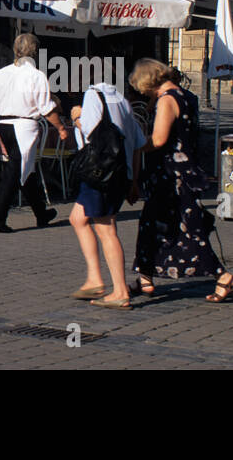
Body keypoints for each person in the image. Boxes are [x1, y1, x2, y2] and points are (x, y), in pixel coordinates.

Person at [129, 59, 233, 303]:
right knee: (152, 224)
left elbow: (158, 140)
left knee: (187, 231)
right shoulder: (185, 95)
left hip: (171, 176)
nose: (141, 91)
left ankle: (223, 276)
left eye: (140, 86)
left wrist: (134, 144)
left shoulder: (167, 99)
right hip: (181, 171)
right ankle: (145, 277)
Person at [0, 33, 68, 232]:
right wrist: (61, 128)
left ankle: (41, 213)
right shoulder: (36, 75)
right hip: (24, 126)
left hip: (4, 125)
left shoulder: (2, 73)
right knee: (15, 171)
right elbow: (46, 107)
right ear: (35, 52)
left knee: (24, 169)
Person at [68, 81, 145, 308]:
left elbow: (90, 132)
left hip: (99, 174)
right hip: (119, 173)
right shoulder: (122, 101)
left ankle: (120, 291)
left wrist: (76, 117)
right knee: (77, 218)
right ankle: (94, 278)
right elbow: (138, 142)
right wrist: (133, 180)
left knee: (107, 229)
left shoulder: (93, 96)